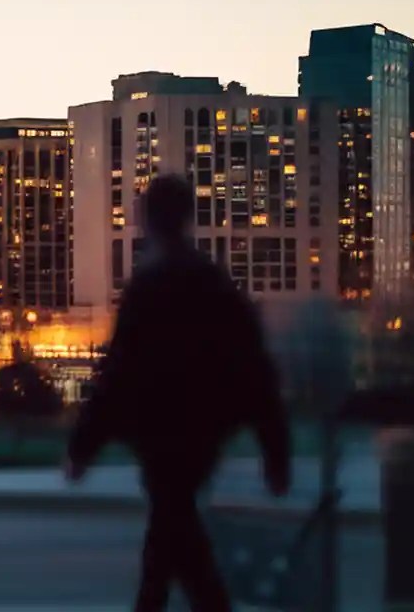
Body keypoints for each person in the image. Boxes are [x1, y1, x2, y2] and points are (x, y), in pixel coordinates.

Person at [67, 174, 292, 612]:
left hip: (159, 433)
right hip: (204, 431)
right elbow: (255, 371)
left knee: (173, 534)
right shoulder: (214, 284)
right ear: (188, 215)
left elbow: (119, 374)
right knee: (173, 535)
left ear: (146, 219)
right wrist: (275, 452)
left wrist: (83, 445)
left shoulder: (149, 287)